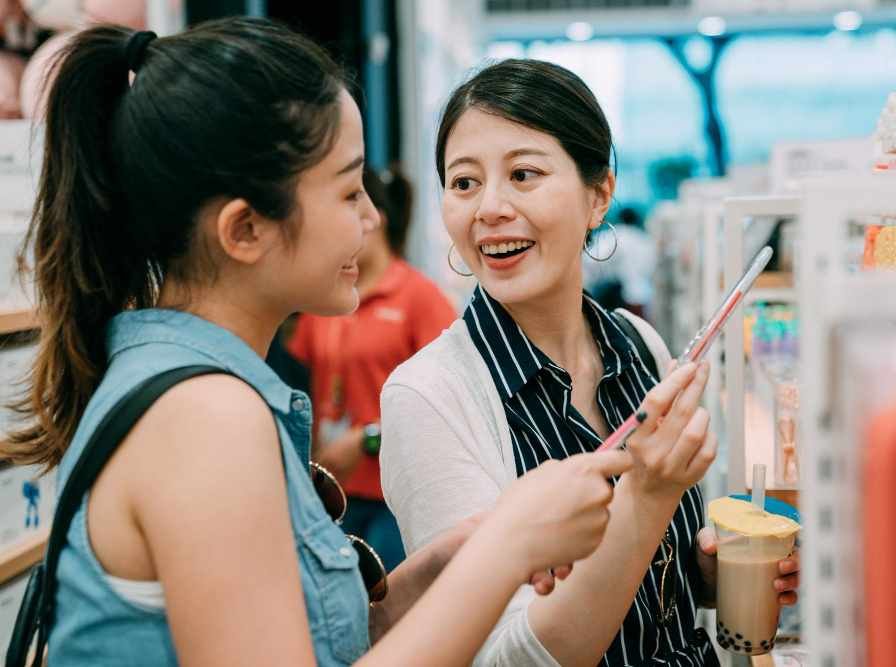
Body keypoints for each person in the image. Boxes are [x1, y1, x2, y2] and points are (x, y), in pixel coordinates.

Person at [2, 22, 635, 666]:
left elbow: (317, 642)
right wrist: (509, 551)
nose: (371, 218)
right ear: (245, 229)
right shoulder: (207, 417)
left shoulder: (203, 388)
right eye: (347, 189)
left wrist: (471, 550)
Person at [380, 59, 800, 667]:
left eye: (523, 174)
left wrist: (707, 572)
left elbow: (653, 588)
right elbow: (501, 657)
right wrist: (649, 497)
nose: (489, 208)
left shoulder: (639, 345)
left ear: (599, 194)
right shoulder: (429, 396)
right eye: (464, 182)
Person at [288, 166, 456, 572]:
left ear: (373, 219)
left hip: (393, 498)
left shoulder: (419, 298)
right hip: (331, 493)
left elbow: (445, 404)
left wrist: (367, 439)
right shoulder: (329, 295)